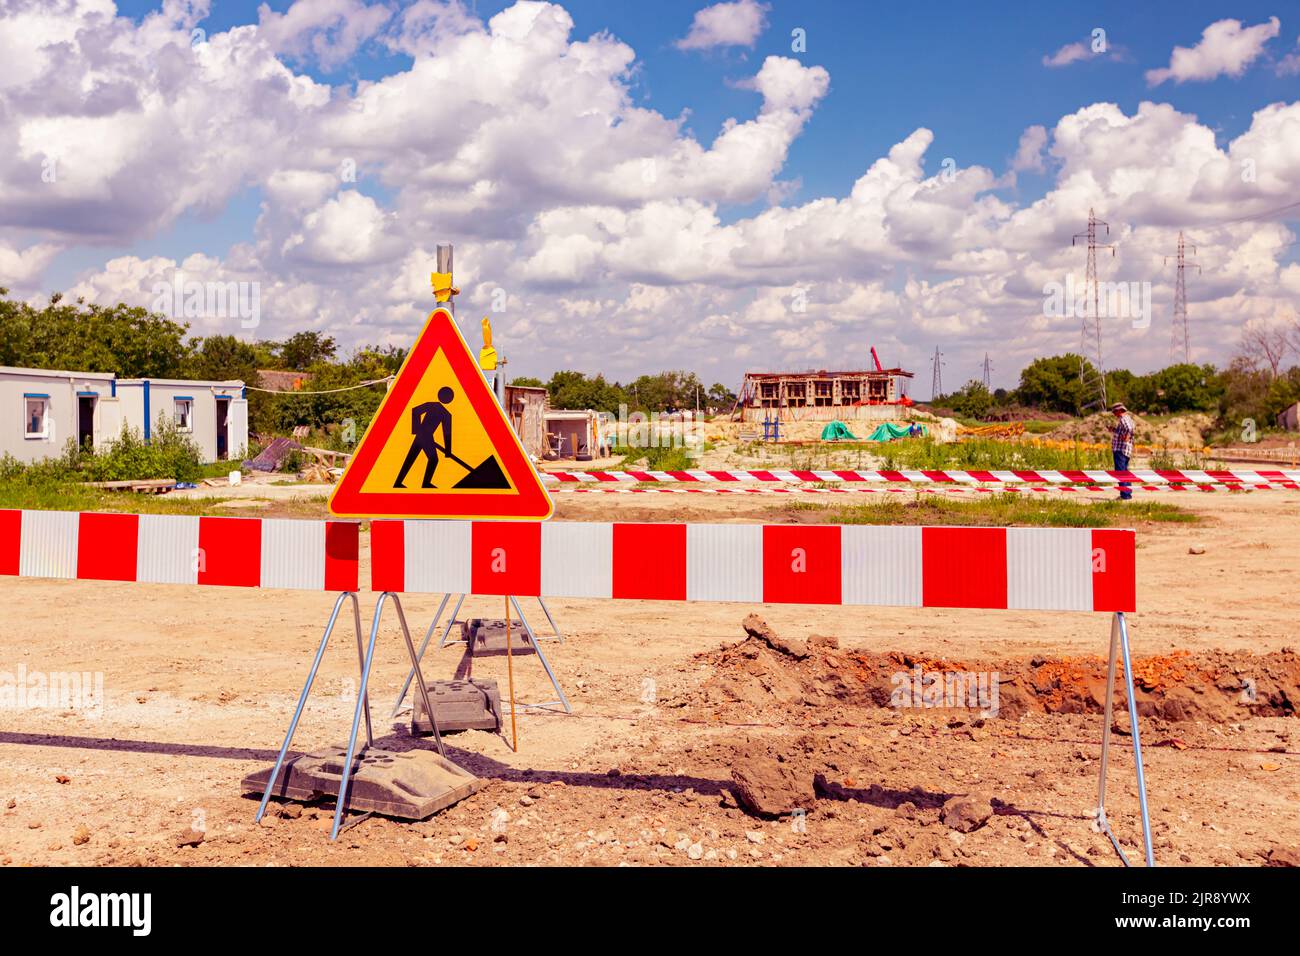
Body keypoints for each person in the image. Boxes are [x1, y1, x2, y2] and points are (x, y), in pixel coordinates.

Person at [395, 386, 455, 489]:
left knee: (410, 458)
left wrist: (417, 430)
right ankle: (426, 483)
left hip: (421, 435)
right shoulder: (446, 413)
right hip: (426, 436)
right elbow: (447, 434)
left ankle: (398, 482)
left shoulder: (434, 407)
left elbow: (447, 433)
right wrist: (447, 451)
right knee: (433, 459)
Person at [1109, 401, 1135, 501]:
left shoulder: (1123, 418)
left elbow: (1129, 429)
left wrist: (1127, 436)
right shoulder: (1128, 418)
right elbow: (1128, 429)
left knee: (1120, 473)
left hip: (1120, 449)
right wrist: (1114, 430)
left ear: (1120, 410)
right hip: (1125, 450)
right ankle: (1127, 494)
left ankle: (1124, 495)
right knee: (1124, 472)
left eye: (1115, 411)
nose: (1114, 414)